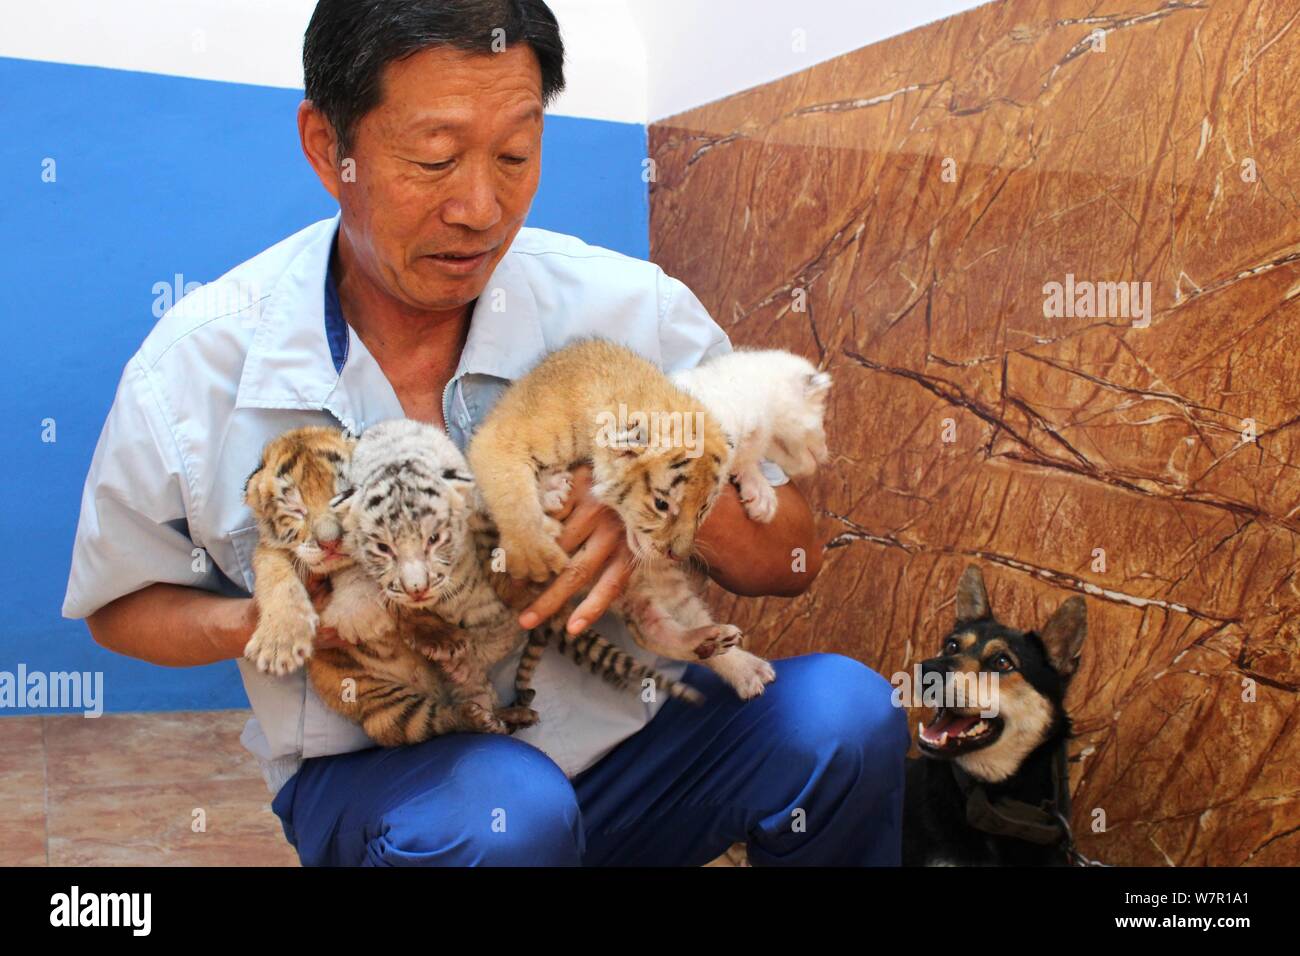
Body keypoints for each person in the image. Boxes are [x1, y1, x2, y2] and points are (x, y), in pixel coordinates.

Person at [63, 0, 909, 866]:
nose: (480, 208)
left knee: (841, 716)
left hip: (637, 756)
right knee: (509, 812)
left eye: (515, 154)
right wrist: (269, 616)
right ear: (329, 148)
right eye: (433, 159)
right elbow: (121, 606)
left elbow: (792, 560)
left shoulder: (629, 311)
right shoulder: (196, 369)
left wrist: (653, 500)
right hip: (400, 780)